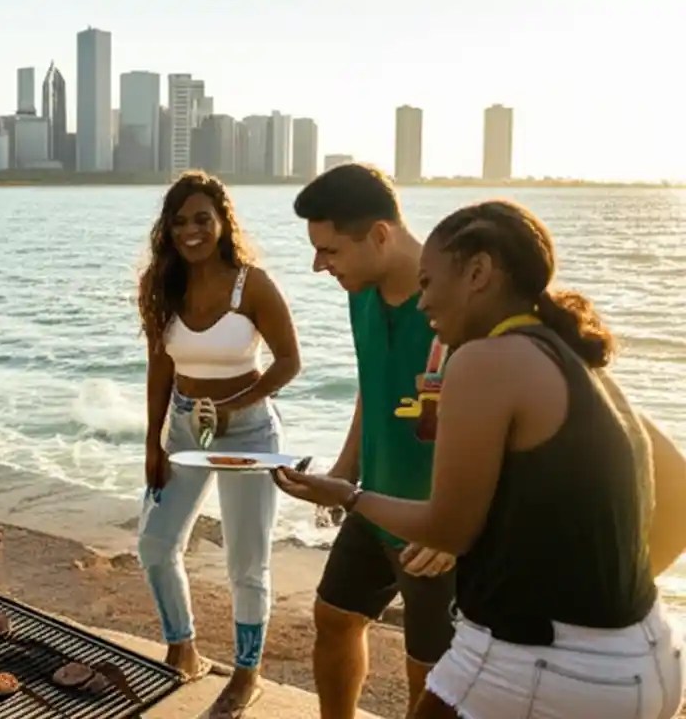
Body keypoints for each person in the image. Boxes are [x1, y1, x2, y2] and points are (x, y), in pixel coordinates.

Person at [275, 199, 686, 719]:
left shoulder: (481, 359)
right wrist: (602, 607)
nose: (422, 304)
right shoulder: (578, 362)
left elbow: (448, 530)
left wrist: (350, 496)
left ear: (478, 272)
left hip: (541, 666)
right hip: (647, 657)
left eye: (428, 284)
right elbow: (680, 494)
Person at [291, 163, 456, 719]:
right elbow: (374, 384)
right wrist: (344, 472)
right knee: (334, 616)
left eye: (330, 250)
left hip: (434, 522)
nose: (319, 265)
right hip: (374, 499)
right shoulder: (359, 291)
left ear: (380, 234)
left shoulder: (458, 304)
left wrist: (460, 526)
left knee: (430, 675)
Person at [136, 170, 302, 718]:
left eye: (202, 218)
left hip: (249, 432)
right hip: (184, 428)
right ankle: (182, 648)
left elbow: (289, 361)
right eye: (180, 221)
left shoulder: (250, 284)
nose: (191, 230)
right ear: (169, 228)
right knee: (156, 545)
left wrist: (236, 404)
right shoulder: (161, 285)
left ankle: (246, 674)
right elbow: (160, 366)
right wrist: (153, 443)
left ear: (222, 221)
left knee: (246, 564)